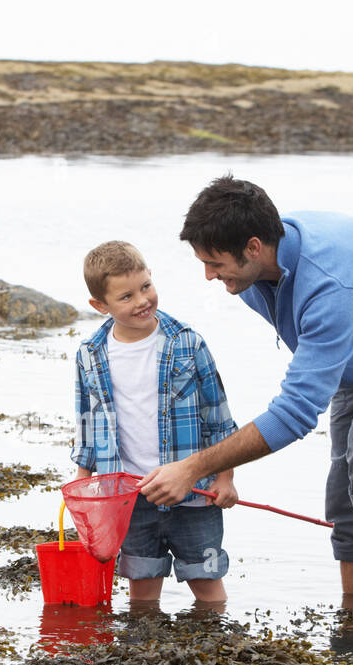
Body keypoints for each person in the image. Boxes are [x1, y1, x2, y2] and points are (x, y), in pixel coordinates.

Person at [140, 176, 353, 622]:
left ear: (255, 246)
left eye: (214, 262)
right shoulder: (252, 275)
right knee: (344, 487)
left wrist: (195, 467)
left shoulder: (333, 283)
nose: (208, 275)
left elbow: (297, 413)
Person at [72, 240, 239, 605]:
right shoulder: (90, 355)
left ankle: (215, 645)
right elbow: (86, 425)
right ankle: (141, 651)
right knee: (142, 585)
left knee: (206, 581)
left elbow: (219, 418)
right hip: (130, 496)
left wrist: (225, 479)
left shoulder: (188, 344)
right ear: (100, 306)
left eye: (146, 286)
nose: (142, 301)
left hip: (195, 494)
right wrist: (83, 487)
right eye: (126, 296)